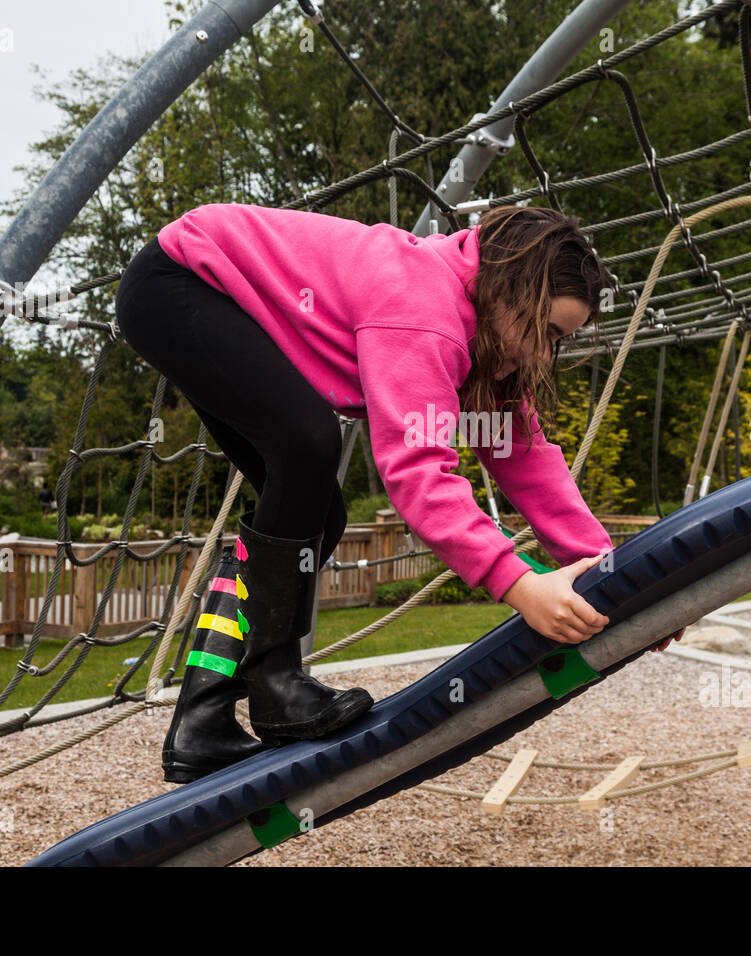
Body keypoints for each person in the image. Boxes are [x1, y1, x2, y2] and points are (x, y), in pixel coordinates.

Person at [115, 202, 681, 784]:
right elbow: (417, 472)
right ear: (509, 289)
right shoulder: (424, 310)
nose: (541, 353)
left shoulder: (489, 341)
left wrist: (621, 578)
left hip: (202, 295)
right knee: (306, 445)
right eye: (544, 331)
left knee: (312, 517)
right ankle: (276, 686)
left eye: (556, 340)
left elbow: (527, 461)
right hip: (181, 283)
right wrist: (519, 584)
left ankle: (201, 721)